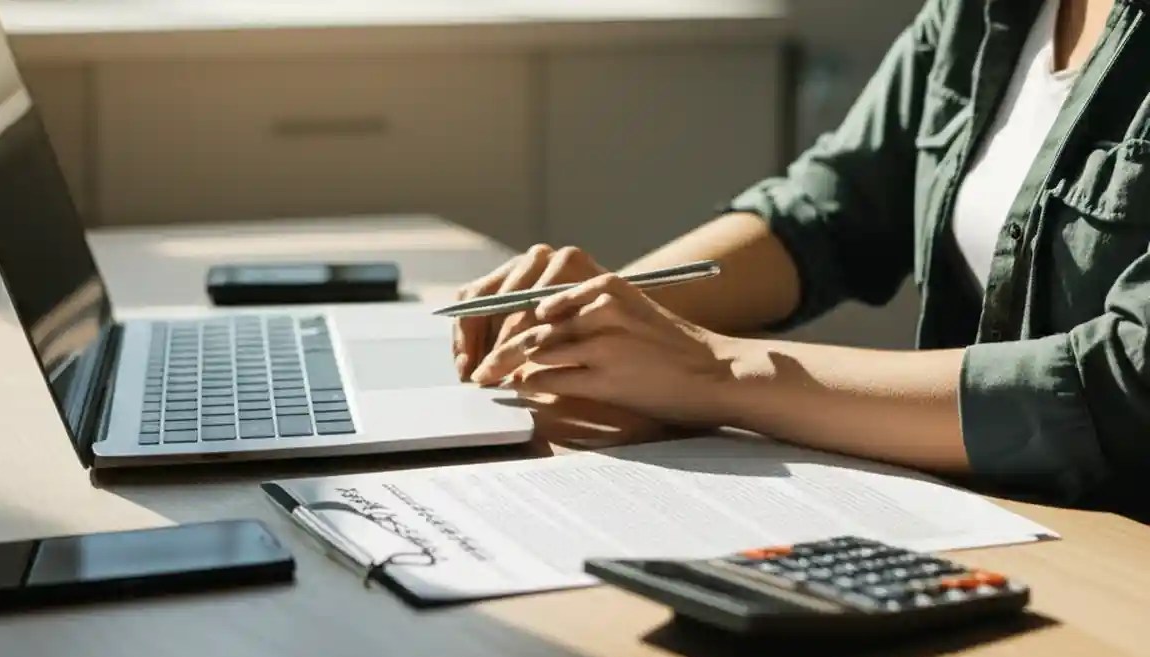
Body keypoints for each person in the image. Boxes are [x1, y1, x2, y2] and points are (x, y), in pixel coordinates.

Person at [450, 0, 1150, 504]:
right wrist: (608, 312)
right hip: (982, 514)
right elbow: (828, 211)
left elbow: (1125, 384)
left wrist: (717, 373)